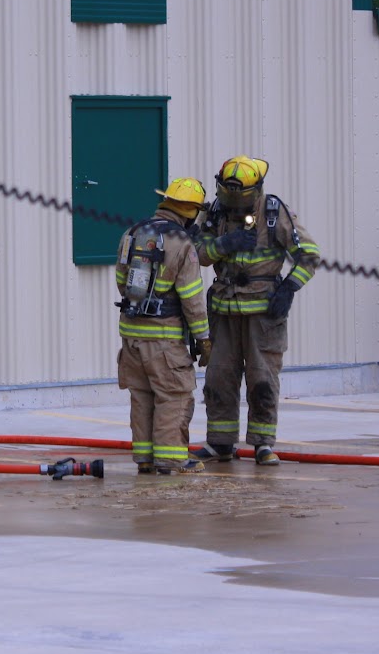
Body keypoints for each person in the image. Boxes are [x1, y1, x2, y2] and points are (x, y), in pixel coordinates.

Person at [191, 156, 320, 466]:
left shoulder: (274, 212)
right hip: (224, 310)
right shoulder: (214, 213)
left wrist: (289, 288)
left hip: (264, 312)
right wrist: (225, 243)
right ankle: (220, 443)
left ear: (257, 190)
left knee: (263, 378)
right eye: (229, 194)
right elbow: (196, 253)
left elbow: (309, 255)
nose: (235, 202)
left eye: (242, 196)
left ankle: (262, 444)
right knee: (219, 377)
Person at [115, 178, 213, 475]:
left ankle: (144, 459)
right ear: (190, 211)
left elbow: (122, 282)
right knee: (174, 396)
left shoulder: (132, 233)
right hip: (165, 339)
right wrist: (204, 339)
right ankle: (171, 460)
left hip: (131, 337)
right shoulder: (183, 244)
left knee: (142, 396)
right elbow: (192, 298)